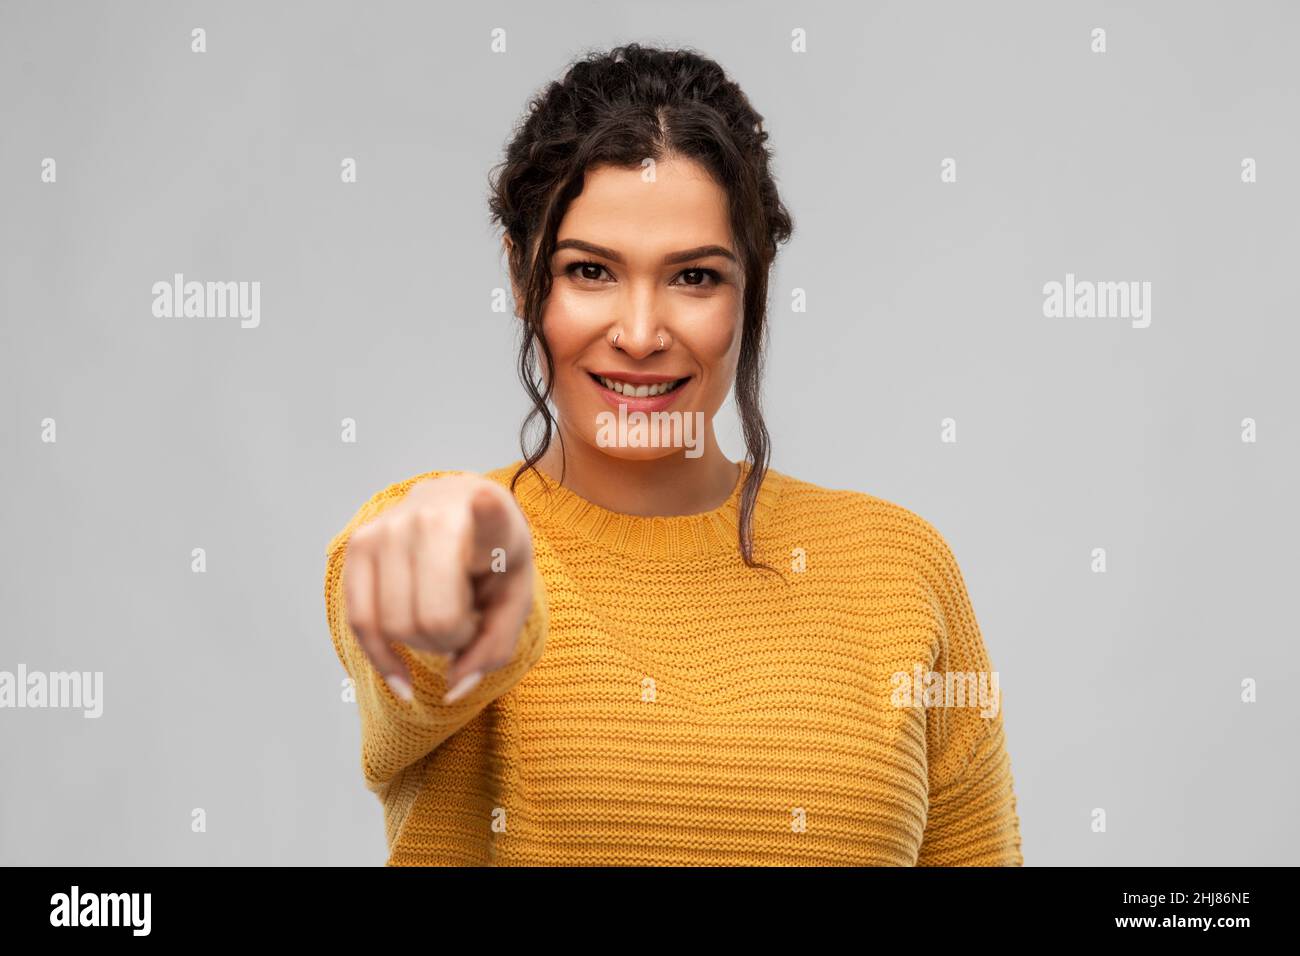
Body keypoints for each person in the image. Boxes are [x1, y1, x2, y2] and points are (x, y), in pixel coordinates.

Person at [324, 43, 1023, 866]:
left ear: (753, 286)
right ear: (521, 278)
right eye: (589, 271)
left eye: (694, 278)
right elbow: (418, 633)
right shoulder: (448, 535)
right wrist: (459, 554)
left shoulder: (901, 571)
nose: (641, 333)